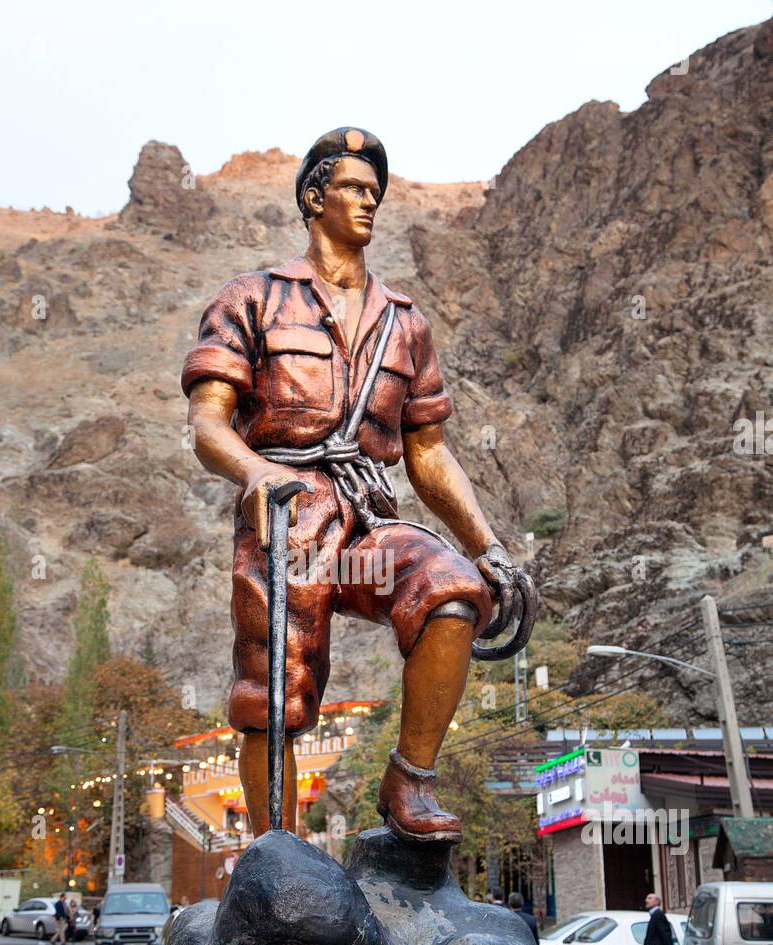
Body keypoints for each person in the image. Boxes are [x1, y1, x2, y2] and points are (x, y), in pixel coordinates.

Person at [184, 126, 532, 845]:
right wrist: (256, 472)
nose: (369, 201)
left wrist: (488, 546)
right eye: (352, 188)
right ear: (314, 197)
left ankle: (410, 779)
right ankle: (273, 848)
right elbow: (207, 426)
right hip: (288, 516)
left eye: (376, 192)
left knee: (453, 591)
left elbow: (428, 453)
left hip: (366, 524)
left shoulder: (405, 323)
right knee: (275, 689)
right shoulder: (253, 298)